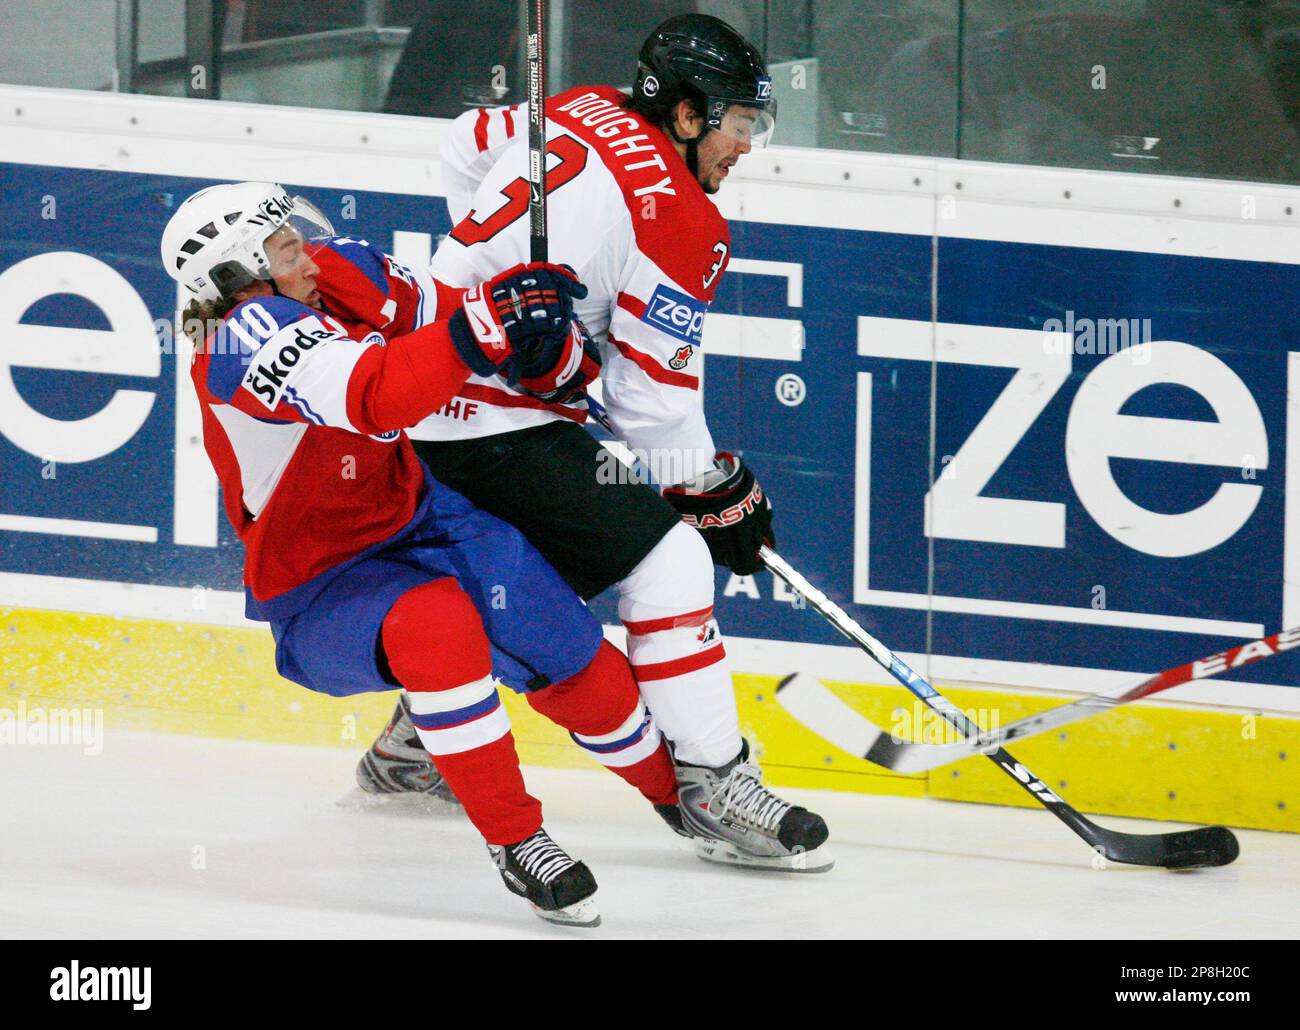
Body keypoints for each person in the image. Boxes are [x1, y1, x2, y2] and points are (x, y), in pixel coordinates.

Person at [337, 14, 832, 872]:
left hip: (422, 371)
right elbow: (649, 405)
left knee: (544, 555)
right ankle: (714, 784)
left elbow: (463, 145)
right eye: (739, 124)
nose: (745, 146)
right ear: (684, 114)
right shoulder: (683, 221)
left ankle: (414, 746)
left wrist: (499, 282)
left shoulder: (578, 106)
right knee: (670, 559)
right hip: (490, 421)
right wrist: (717, 494)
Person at [161, 180, 683, 926]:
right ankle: (518, 839)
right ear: (238, 277)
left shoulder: (334, 271)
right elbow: (377, 392)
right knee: (436, 627)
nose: (306, 258)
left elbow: (442, 320)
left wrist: (541, 346)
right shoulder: (239, 340)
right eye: (284, 250)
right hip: (323, 581)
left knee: (565, 644)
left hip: (423, 519)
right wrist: (486, 325)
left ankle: (684, 796)